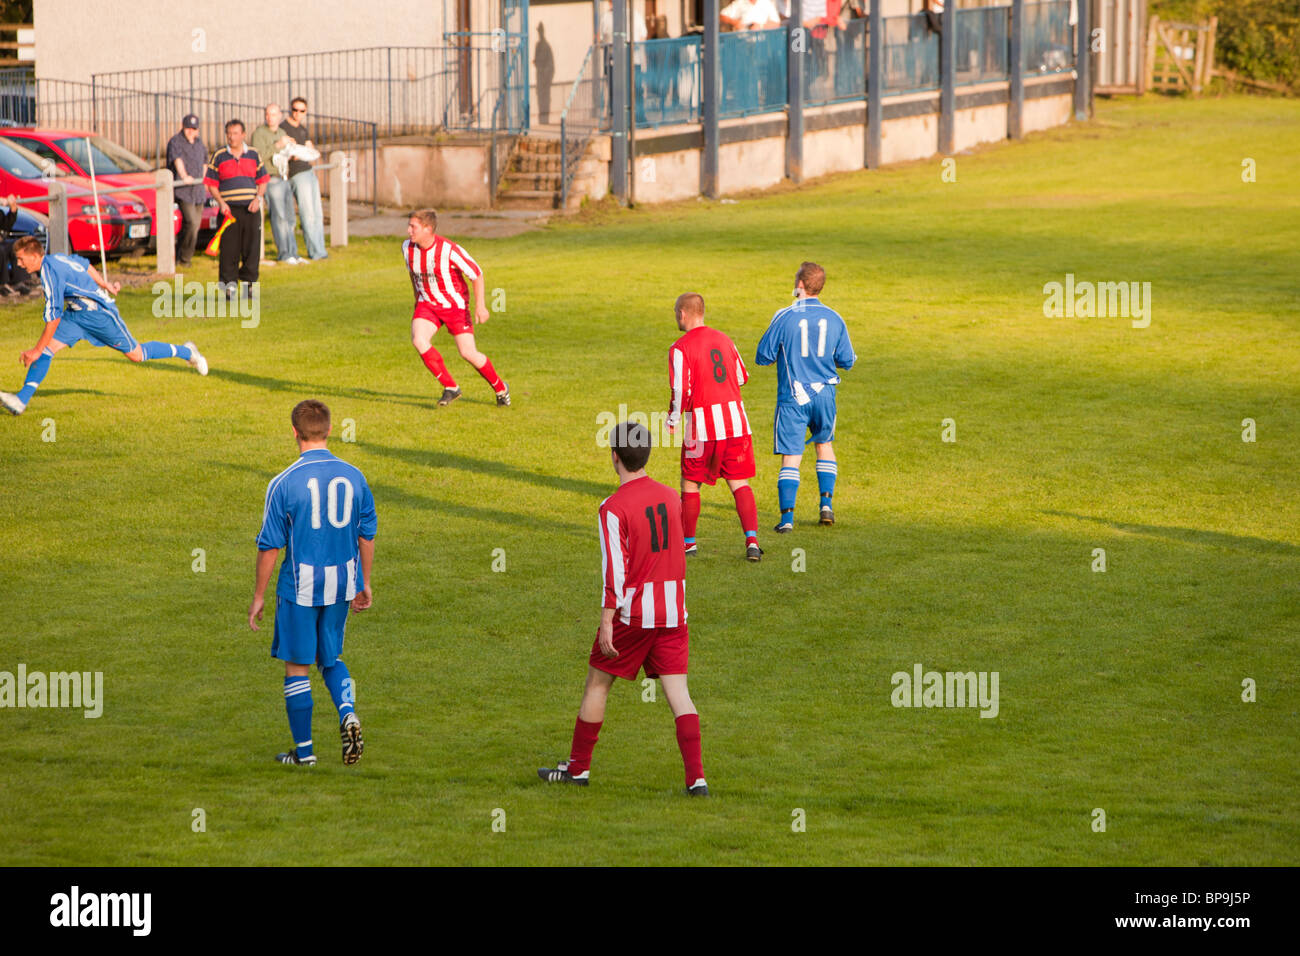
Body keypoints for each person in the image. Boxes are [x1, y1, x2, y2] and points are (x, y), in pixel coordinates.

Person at [537, 421, 708, 796]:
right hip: (674, 611)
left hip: (633, 615)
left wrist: (606, 617)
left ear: (615, 457)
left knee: (598, 682)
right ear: (646, 454)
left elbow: (615, 568)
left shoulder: (612, 508)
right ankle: (696, 780)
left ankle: (578, 770)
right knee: (679, 693)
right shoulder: (671, 497)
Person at [248, 399, 377, 768]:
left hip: (299, 589)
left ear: (294, 432)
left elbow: (270, 546)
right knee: (330, 657)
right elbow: (366, 534)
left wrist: (258, 596)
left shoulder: (283, 482)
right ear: (330, 430)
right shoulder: (354, 476)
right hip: (341, 584)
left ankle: (304, 754)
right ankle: (347, 711)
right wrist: (363, 582)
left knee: (297, 666)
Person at [0, 236, 208, 416]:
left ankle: (187, 352)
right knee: (47, 349)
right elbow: (83, 264)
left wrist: (35, 350)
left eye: (20, 258)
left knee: (138, 354)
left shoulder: (49, 270)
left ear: (34, 256)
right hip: (76, 315)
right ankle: (21, 400)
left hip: (99, 315)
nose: (18, 264)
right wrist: (104, 284)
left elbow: (53, 318)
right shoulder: (56, 258)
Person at [754, 261, 856, 530]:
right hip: (825, 396)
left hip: (793, 397)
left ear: (799, 285)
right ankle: (826, 505)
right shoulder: (835, 317)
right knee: (825, 445)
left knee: (792, 455)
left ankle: (787, 520)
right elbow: (847, 360)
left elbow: (762, 357)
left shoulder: (784, 315)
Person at [666, 292, 762, 562]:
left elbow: (680, 390)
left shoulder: (679, 348)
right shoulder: (725, 339)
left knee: (690, 483)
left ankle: (689, 543)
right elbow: (742, 377)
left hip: (701, 427)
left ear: (683, 314)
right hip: (736, 424)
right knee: (739, 482)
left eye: (676, 312)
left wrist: (672, 419)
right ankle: (752, 541)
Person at [403, 208, 509, 408]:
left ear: (427, 228)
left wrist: (481, 306)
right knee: (419, 340)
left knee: (468, 353)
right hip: (427, 304)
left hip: (455, 307)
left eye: (413, 226)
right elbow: (413, 274)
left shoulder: (449, 250)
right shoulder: (407, 248)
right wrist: (417, 298)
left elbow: (476, 274)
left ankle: (501, 388)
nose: (408, 230)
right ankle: (451, 387)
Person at [204, 119, 269, 299]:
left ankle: (250, 285)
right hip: (229, 210)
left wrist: (258, 198)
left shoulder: (254, 154)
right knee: (229, 250)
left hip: (250, 209)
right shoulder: (219, 155)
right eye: (229, 134)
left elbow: (262, 181)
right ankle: (229, 287)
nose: (232, 137)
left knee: (251, 249)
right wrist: (221, 202)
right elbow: (211, 184)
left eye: (235, 133)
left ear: (243, 135)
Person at [251, 103, 301, 264]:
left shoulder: (281, 132)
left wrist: (292, 151)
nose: (269, 117)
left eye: (273, 114)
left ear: (280, 116)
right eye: (267, 114)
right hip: (270, 178)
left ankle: (293, 252)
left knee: (290, 217)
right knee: (279, 216)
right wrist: (277, 146)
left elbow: (284, 152)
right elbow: (258, 156)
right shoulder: (259, 133)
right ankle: (284, 254)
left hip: (283, 176)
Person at [280, 98, 326, 261]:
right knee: (308, 215)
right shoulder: (283, 129)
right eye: (295, 110)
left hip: (308, 170)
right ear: (290, 110)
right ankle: (315, 252)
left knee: (317, 214)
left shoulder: (302, 129)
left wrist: (309, 151)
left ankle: (321, 250)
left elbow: (309, 148)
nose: (298, 113)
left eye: (302, 111)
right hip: (297, 174)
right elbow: (283, 154)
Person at [165, 113, 209, 267]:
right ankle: (184, 258)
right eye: (188, 128)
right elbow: (177, 159)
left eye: (194, 128)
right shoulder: (176, 141)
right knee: (191, 222)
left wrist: (204, 179)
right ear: (183, 127)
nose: (191, 131)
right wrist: (184, 176)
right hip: (184, 190)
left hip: (198, 190)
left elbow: (205, 161)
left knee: (194, 226)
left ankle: (182, 256)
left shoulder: (199, 144)